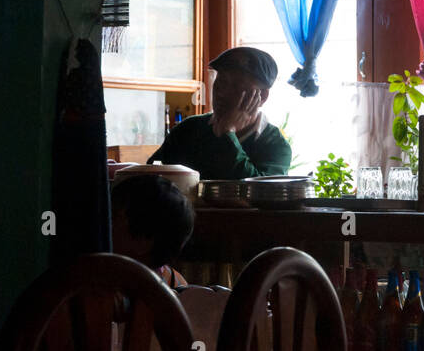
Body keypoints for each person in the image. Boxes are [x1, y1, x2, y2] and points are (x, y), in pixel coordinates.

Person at [148, 46, 292, 178]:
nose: (222, 93)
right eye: (220, 82)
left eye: (236, 86)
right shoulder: (188, 129)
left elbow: (256, 191)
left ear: (263, 96)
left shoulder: (275, 145)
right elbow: (152, 173)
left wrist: (227, 134)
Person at [111, 174, 196, 288]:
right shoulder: (176, 282)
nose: (105, 226)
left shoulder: (106, 288)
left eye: (113, 217)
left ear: (142, 241)